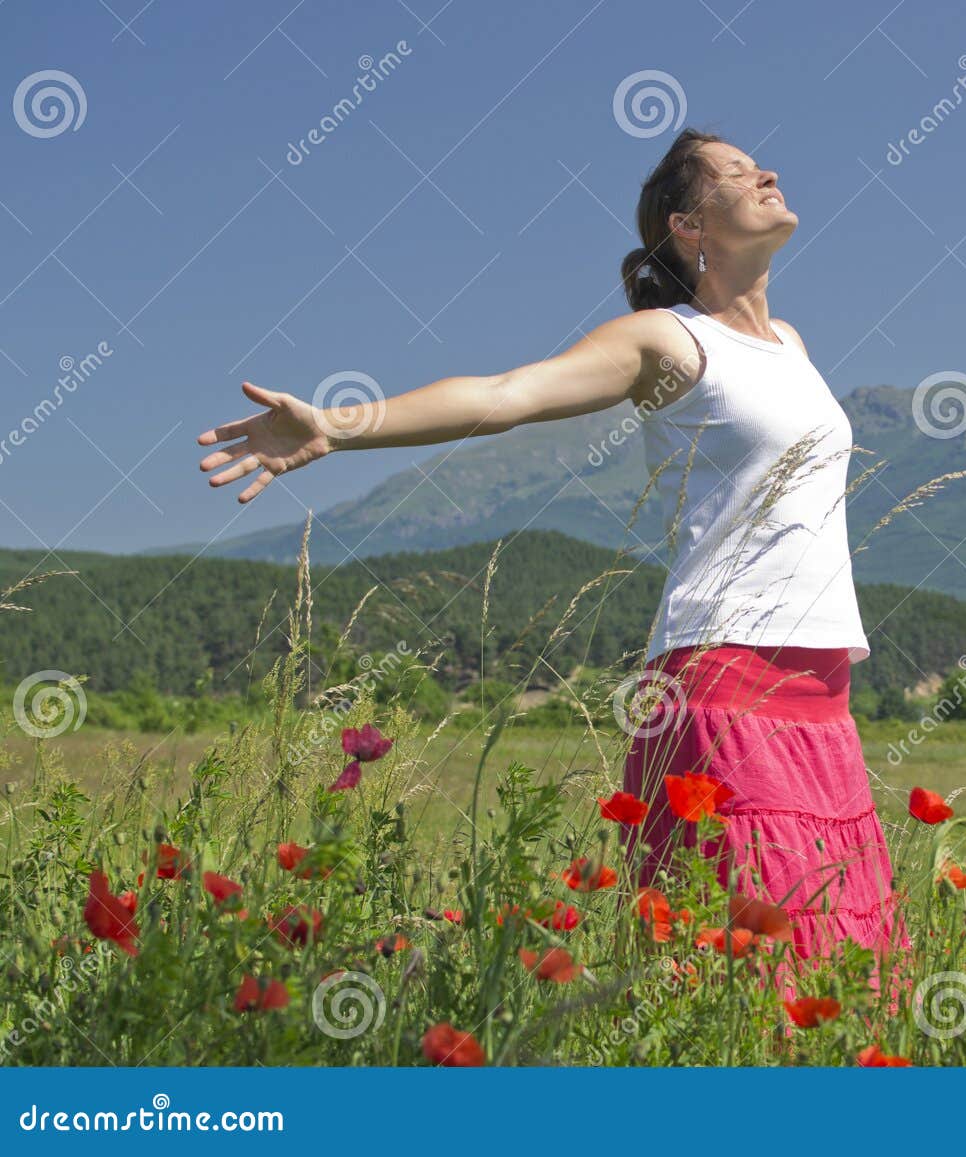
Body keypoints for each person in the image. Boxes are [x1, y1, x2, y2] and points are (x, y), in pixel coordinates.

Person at [197, 128, 899, 959]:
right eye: (739, 173)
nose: (769, 172)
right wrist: (340, 426)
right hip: (724, 677)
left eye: (762, 164)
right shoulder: (667, 341)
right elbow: (508, 393)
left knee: (846, 965)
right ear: (690, 225)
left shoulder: (792, 345)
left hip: (821, 692)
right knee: (749, 961)